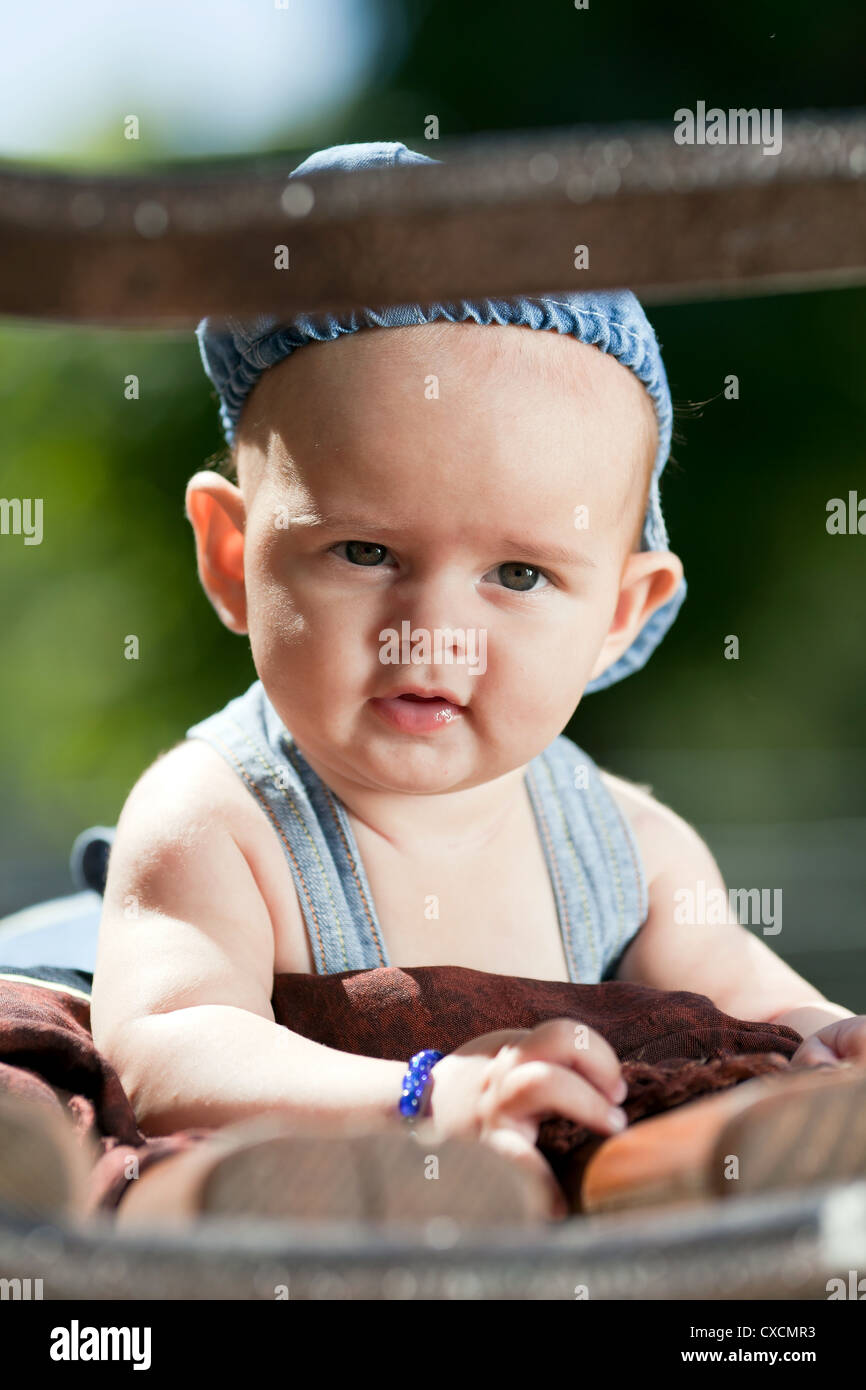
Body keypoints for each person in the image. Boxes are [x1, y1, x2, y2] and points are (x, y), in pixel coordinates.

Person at [89, 140, 864, 1220]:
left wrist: (827, 1034)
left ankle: (739, 1186)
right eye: (364, 552)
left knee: (719, 1114)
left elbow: (747, 994)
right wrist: (420, 1094)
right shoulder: (221, 816)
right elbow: (163, 1049)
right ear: (232, 557)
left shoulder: (625, 848)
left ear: (616, 616)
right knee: (118, 1142)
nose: (433, 633)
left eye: (517, 573)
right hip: (322, 1180)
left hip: (563, 1209)